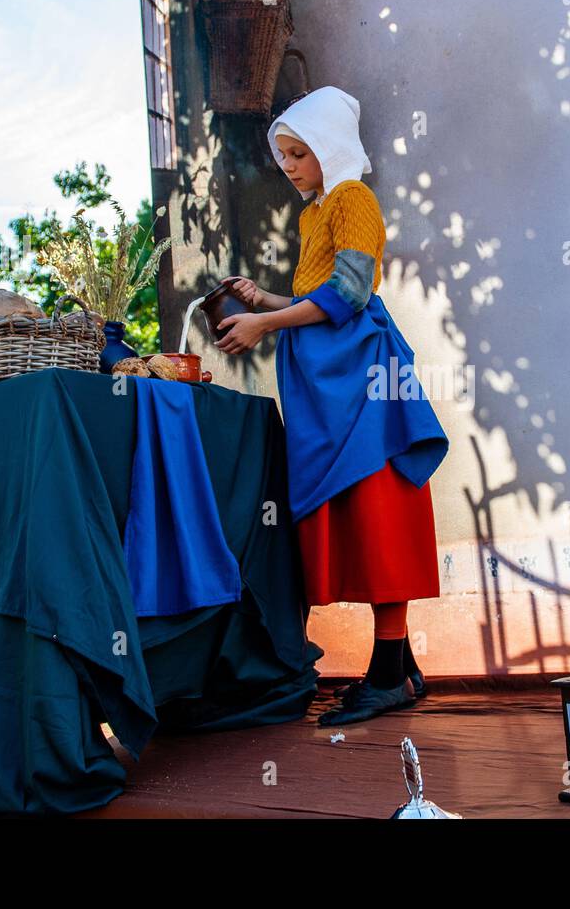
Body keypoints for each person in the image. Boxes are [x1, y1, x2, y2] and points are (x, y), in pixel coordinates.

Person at [215, 86, 449, 726]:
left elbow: (347, 294)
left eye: (299, 153)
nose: (289, 166)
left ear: (330, 146)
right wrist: (264, 300)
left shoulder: (353, 198)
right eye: (284, 155)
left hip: (362, 373)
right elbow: (317, 296)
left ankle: (388, 674)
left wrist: (266, 325)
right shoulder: (314, 212)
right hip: (325, 376)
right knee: (357, 514)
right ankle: (400, 668)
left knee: (380, 508)